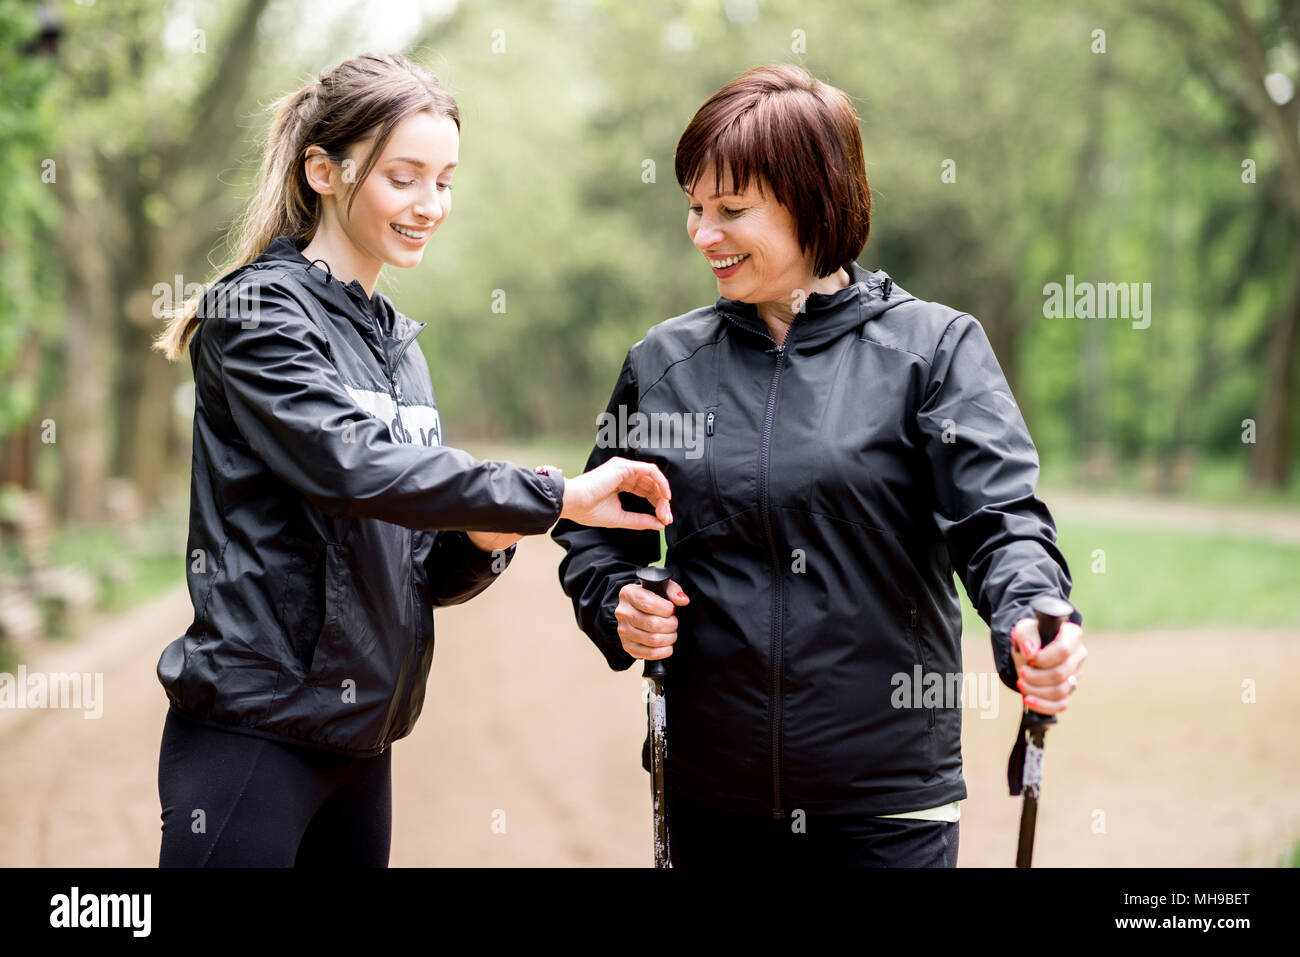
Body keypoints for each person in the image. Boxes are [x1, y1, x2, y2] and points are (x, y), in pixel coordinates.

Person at [551, 64, 1087, 868]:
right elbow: (597, 533)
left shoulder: (933, 352)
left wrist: (1031, 613)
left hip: (887, 810)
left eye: (731, 210)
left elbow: (997, 522)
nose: (702, 233)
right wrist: (618, 599)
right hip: (709, 798)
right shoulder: (665, 364)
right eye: (694, 207)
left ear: (814, 200)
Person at [149, 53, 672, 867]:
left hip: (365, 740)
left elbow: (418, 567)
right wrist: (555, 494)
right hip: (255, 736)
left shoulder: (396, 343)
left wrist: (486, 539)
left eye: (445, 180)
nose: (431, 205)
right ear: (323, 170)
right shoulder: (256, 315)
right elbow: (351, 468)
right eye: (405, 177)